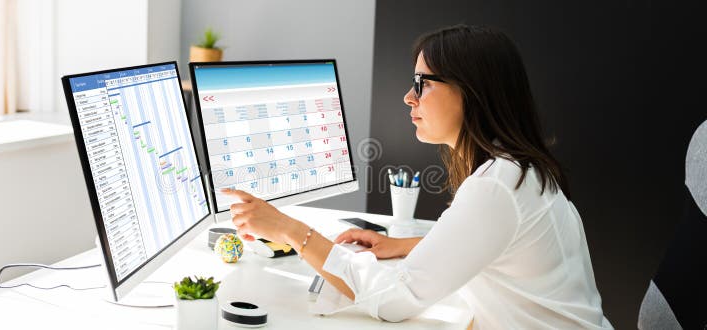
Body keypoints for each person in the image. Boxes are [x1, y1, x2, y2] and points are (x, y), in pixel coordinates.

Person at [222, 24, 613, 329]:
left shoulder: (497, 186)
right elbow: (489, 243)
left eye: (422, 84)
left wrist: (290, 229)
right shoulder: (519, 168)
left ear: (470, 92)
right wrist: (406, 245)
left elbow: (394, 301)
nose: (410, 97)